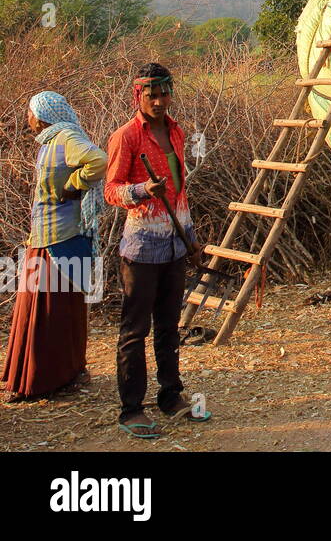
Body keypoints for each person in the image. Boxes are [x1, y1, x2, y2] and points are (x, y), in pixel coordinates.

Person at [105, 63, 210, 438]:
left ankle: (171, 396)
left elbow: (181, 194)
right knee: (135, 330)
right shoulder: (127, 137)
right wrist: (140, 191)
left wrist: (192, 239)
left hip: (175, 247)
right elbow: (110, 189)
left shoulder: (178, 133)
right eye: (151, 94)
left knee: (169, 325)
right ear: (138, 95)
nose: (159, 100)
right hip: (142, 247)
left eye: (164, 93)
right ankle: (131, 409)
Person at [2, 92, 106, 402]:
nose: (28, 120)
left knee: (52, 311)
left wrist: (74, 186)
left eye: (30, 113)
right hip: (46, 238)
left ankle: (47, 378)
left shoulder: (66, 136)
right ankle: (34, 376)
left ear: (43, 114)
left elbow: (98, 160)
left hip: (61, 240)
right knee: (41, 310)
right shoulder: (52, 140)